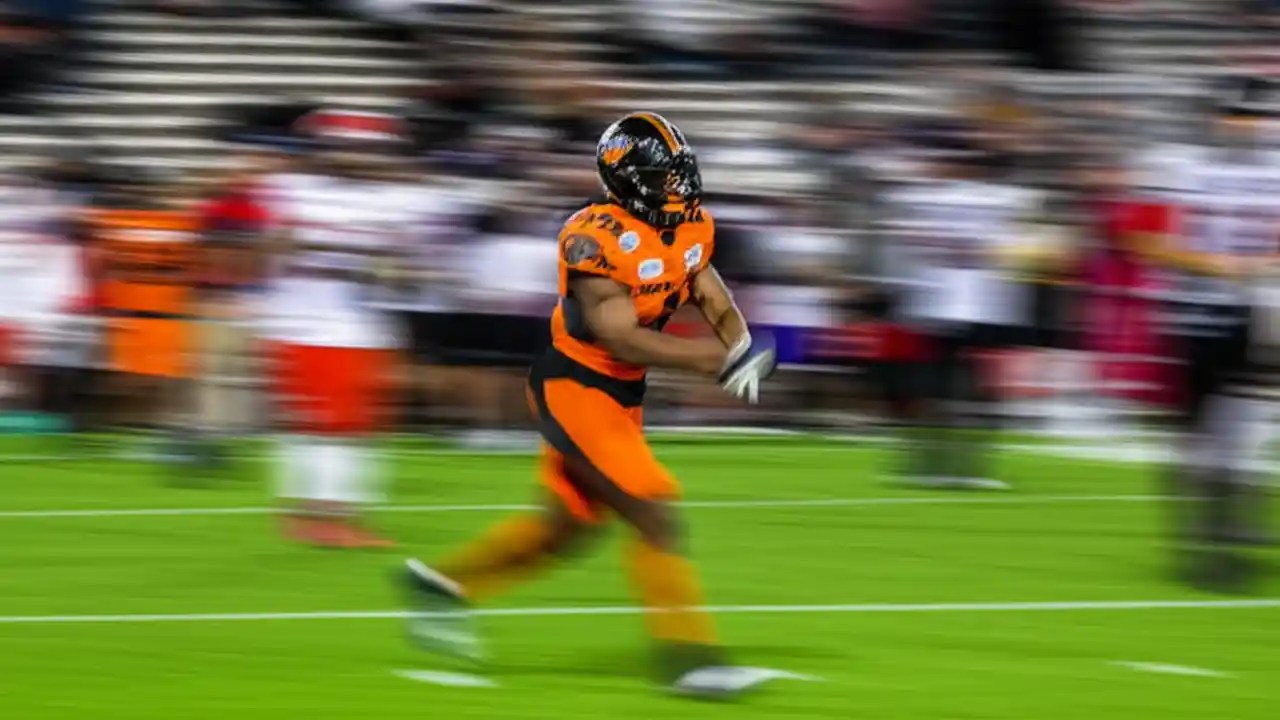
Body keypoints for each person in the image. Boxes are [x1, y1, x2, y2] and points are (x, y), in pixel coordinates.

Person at [401, 112, 778, 697]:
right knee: (653, 508)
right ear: (627, 180)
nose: (680, 187)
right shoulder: (592, 235)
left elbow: (712, 296)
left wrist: (741, 347)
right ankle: (691, 660)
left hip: (621, 395)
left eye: (681, 173)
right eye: (663, 177)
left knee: (566, 528)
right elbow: (617, 334)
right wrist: (714, 362)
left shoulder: (693, 225)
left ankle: (439, 585)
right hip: (574, 385)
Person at [1135, 89, 1280, 591]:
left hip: (1260, 315)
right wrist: (1216, 265)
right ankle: (1195, 542)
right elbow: (1145, 240)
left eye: (1257, 116)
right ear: (1216, 119)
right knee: (1199, 436)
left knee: (1245, 432)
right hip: (1197, 316)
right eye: (1237, 115)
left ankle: (1232, 539)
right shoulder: (1178, 166)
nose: (1248, 125)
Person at [261, 109, 411, 548]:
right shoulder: (290, 189)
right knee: (335, 426)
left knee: (338, 425)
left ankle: (304, 513)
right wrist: (348, 253)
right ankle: (331, 519)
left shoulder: (390, 199)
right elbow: (275, 245)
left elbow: (400, 267)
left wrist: (384, 266)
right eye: (351, 147)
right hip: (316, 326)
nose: (363, 156)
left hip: (361, 324)